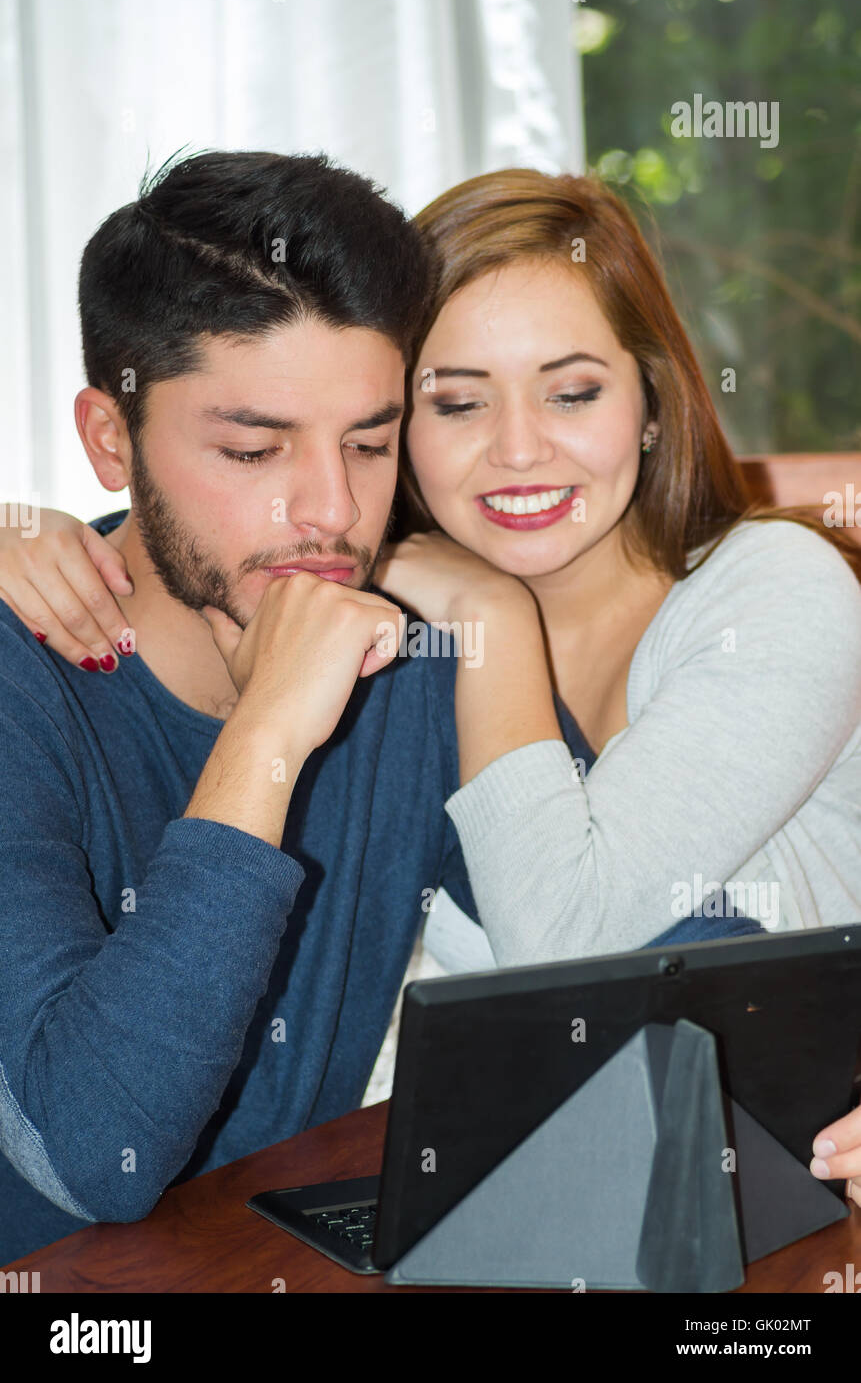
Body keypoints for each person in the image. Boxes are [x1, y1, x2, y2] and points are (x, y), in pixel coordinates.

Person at [3, 159, 852, 1255]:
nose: (328, 510)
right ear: (110, 439)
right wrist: (268, 732)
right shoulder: (26, 682)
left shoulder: (410, 655)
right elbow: (93, 1154)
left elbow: (654, 968)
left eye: (368, 441)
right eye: (254, 448)